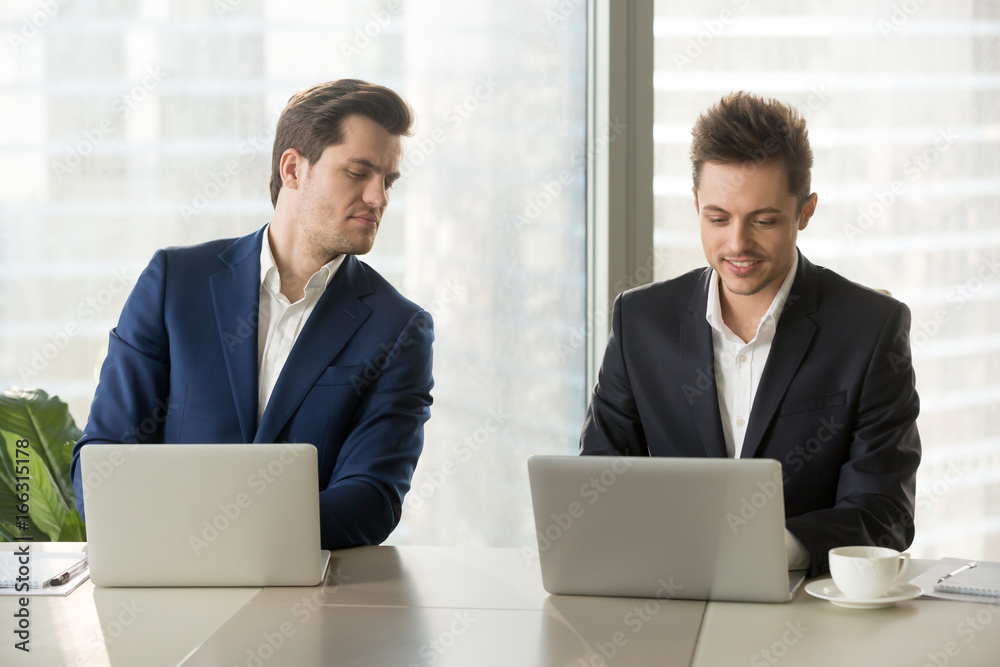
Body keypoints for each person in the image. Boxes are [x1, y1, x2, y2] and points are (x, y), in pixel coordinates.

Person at [70, 79, 434, 549]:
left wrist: (221, 532)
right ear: (293, 169)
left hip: (311, 603)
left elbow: (372, 497)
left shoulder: (398, 328)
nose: (379, 197)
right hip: (168, 588)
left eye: (388, 181)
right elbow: (103, 459)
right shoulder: (174, 283)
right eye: (358, 172)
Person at [579, 91, 920, 576]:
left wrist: (774, 550)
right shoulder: (639, 322)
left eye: (764, 220)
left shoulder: (871, 328)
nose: (737, 243)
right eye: (717, 218)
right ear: (695, 203)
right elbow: (599, 484)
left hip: (808, 613)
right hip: (668, 599)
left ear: (805, 211)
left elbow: (886, 512)